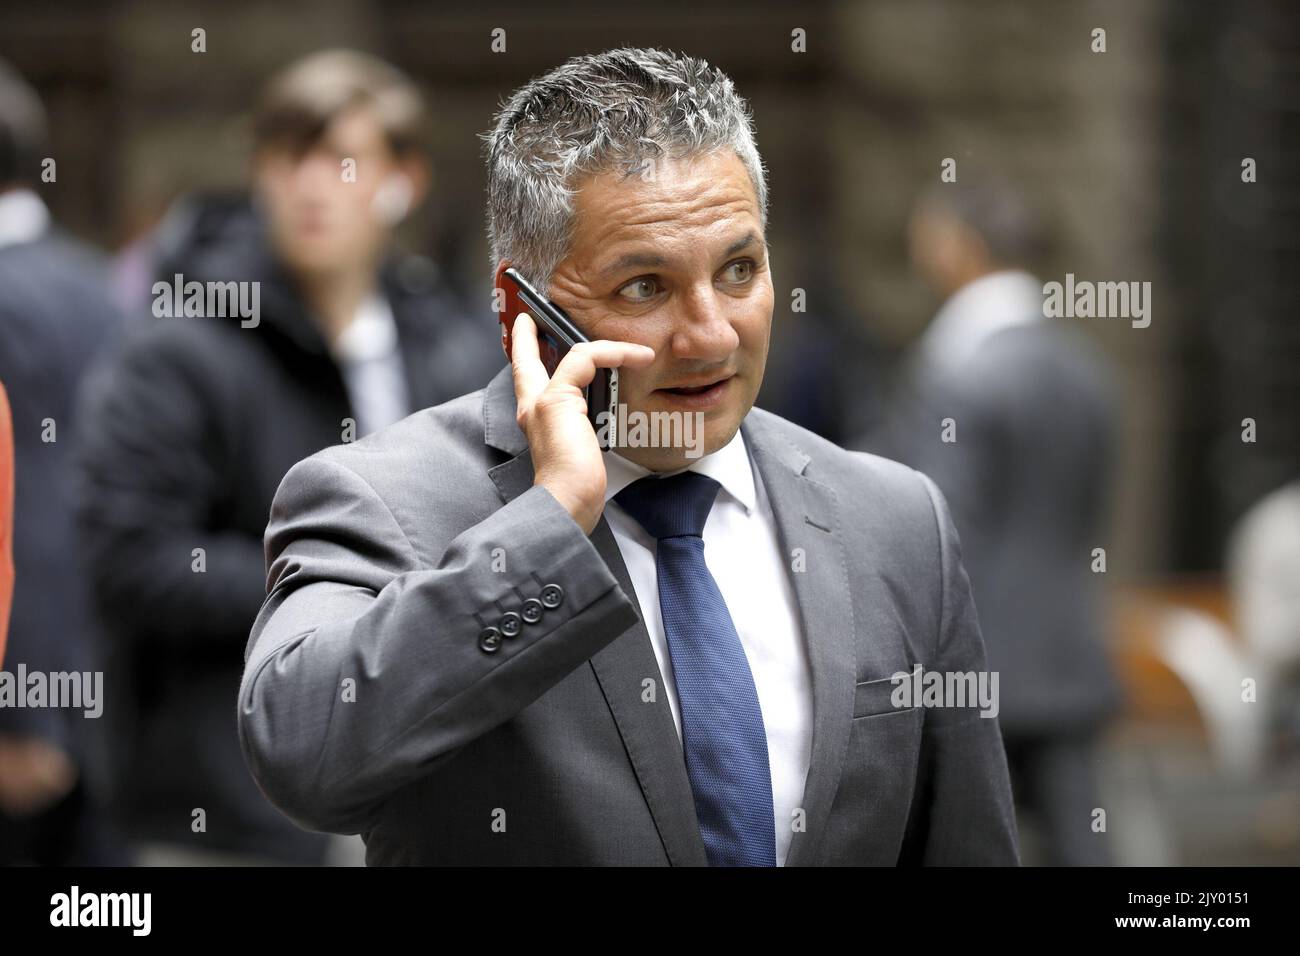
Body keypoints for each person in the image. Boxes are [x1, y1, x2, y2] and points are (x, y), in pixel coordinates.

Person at [239, 47, 1020, 866]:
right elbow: (302, 754)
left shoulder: (895, 519)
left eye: (739, 270)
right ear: (521, 309)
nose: (710, 335)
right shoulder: (380, 497)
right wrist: (551, 521)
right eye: (645, 287)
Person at [74, 49, 501, 865]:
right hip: (228, 806)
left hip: (420, 791)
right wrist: (342, 590)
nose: (310, 186)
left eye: (341, 160)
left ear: (401, 181)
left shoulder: (443, 342)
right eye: (286, 157)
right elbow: (129, 556)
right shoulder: (182, 346)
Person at [861, 176, 1122, 865]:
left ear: (959, 247)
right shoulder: (1087, 368)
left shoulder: (958, 373)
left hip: (970, 668)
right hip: (1068, 658)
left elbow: (937, 533)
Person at [0, 58, 126, 864]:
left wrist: (23, 713)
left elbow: (29, 509)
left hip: (28, 709)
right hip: (93, 685)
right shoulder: (97, 282)